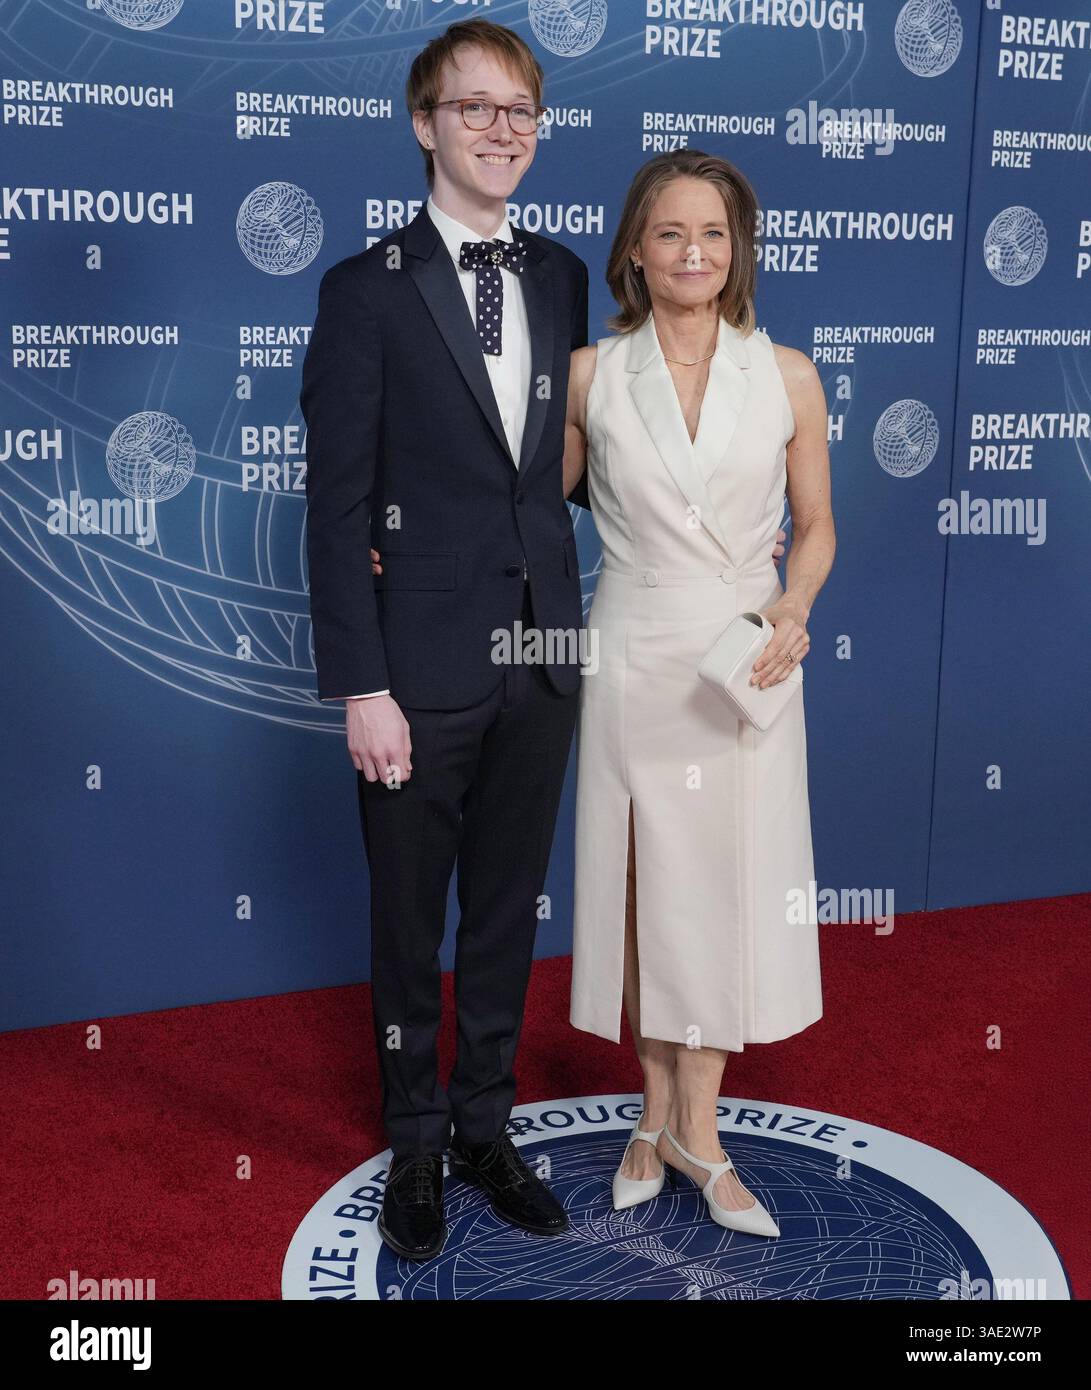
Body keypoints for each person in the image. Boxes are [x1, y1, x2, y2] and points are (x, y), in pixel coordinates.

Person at [300, 19, 592, 1262]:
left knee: (506, 910)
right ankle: (415, 1139)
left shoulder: (564, 275)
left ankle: (484, 1122)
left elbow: (567, 468)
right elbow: (336, 510)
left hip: (544, 653)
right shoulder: (363, 291)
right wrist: (361, 684)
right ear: (425, 125)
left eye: (519, 110)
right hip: (414, 673)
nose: (500, 130)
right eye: (474, 109)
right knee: (408, 918)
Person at [563, 150, 834, 1236]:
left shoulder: (789, 374)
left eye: (712, 234)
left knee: (723, 883)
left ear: (737, 251)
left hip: (744, 648)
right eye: (669, 233)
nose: (691, 253)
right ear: (634, 248)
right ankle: (648, 1114)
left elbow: (812, 528)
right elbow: (520, 503)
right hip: (632, 640)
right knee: (643, 881)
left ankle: (699, 1130)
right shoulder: (589, 375)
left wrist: (790, 604)